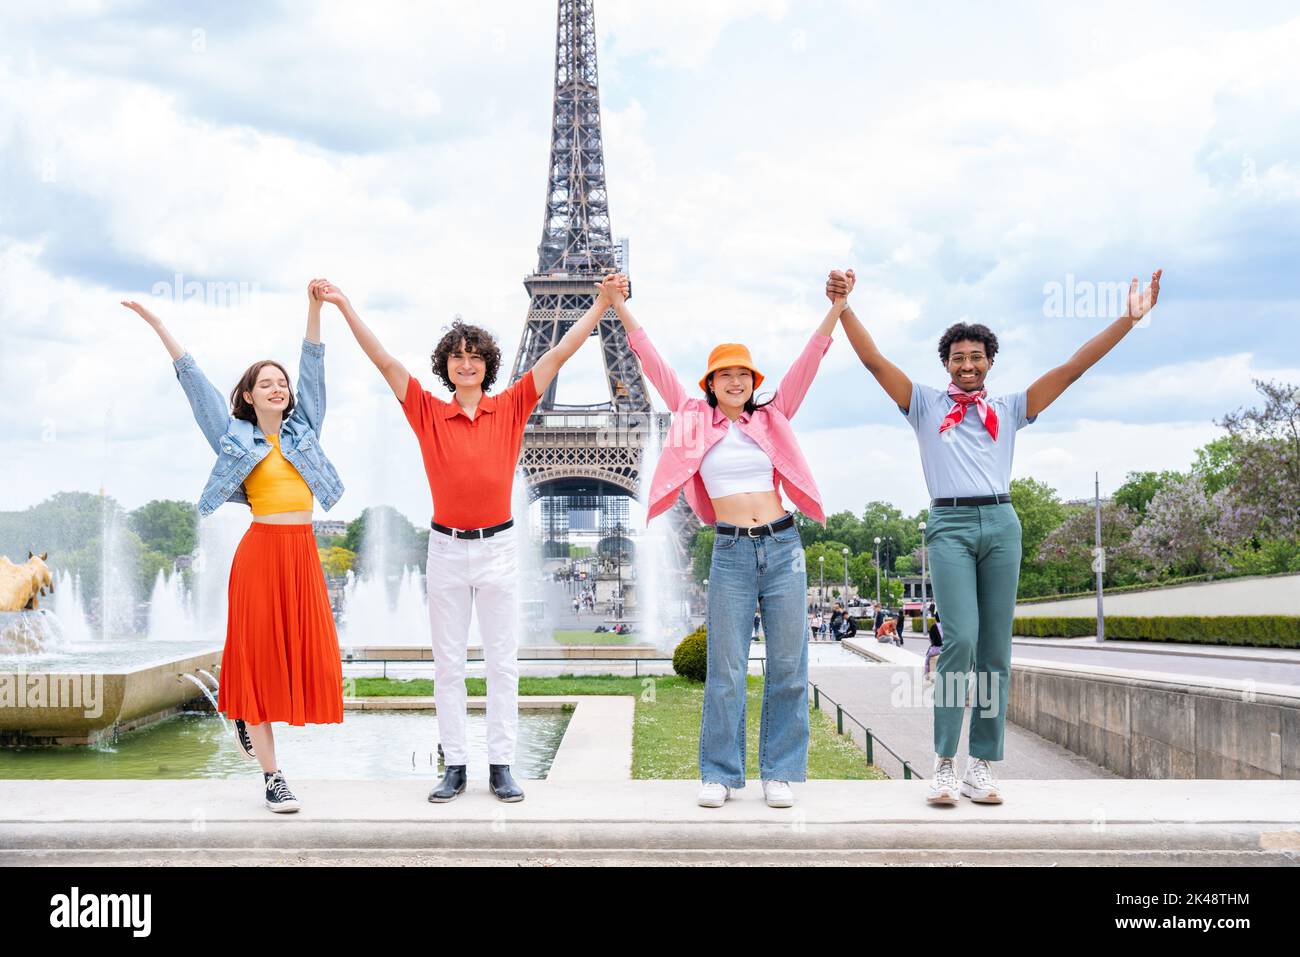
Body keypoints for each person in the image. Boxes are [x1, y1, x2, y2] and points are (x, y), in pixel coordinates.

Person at [831, 265, 1162, 806]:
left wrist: (1128, 319)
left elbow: (1074, 368)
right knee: (959, 639)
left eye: (976, 357)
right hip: (949, 525)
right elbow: (872, 361)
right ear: (946, 365)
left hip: (1002, 524)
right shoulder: (923, 404)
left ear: (989, 363)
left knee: (996, 651)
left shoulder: (1009, 408)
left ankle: (980, 765)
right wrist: (843, 306)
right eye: (958, 358)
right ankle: (942, 763)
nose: (967, 365)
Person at [326, 275, 623, 803]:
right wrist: (346, 305)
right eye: (458, 357)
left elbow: (557, 354)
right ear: (446, 367)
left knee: (503, 661)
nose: (467, 364)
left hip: (498, 550)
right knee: (448, 664)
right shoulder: (427, 412)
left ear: (487, 364)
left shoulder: (509, 406)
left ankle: (501, 765)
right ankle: (456, 764)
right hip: (445, 549)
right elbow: (385, 362)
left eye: (476, 356)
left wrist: (601, 304)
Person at [611, 271, 841, 810]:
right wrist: (618, 306)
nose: (735, 381)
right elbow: (651, 360)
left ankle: (779, 771)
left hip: (783, 547)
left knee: (789, 664)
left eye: (743, 374)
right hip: (732, 550)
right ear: (710, 383)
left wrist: (836, 308)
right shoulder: (691, 418)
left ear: (753, 381)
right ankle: (720, 771)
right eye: (724, 375)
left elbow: (810, 359)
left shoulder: (774, 415)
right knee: (728, 669)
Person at [122, 280, 346, 814]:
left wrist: (314, 308)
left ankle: (246, 716)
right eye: (266, 384)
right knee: (260, 661)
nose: (278, 389)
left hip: (301, 555)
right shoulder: (233, 438)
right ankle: (273, 777)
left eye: (281, 383)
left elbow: (312, 367)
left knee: (309, 655)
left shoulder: (304, 429)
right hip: (261, 555)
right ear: (247, 395)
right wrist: (160, 328)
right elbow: (197, 385)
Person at [924, 611, 943, 684]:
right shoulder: (946, 626)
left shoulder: (933, 626)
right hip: (945, 648)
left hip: (936, 649)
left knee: (927, 659)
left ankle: (927, 675)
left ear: (935, 618)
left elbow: (930, 639)